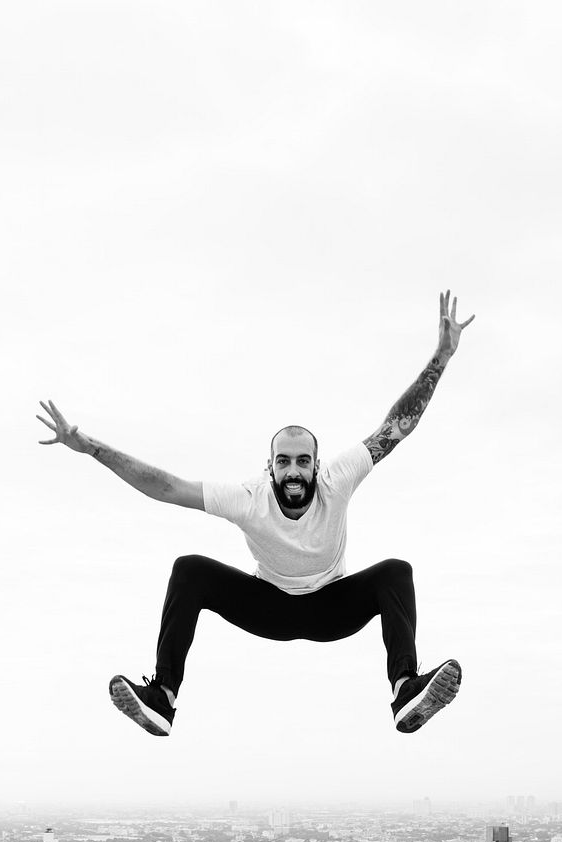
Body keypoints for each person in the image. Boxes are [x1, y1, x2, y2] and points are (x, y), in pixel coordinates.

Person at [37, 289, 475, 737]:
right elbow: (166, 488)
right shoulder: (248, 497)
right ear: (270, 467)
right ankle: (162, 697)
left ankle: (406, 692)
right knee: (189, 570)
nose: (293, 471)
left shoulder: (338, 479)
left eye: (302, 461)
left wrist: (441, 357)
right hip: (270, 607)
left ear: (316, 467)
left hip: (333, 606)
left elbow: (394, 430)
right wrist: (89, 447)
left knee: (395, 573)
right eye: (283, 461)